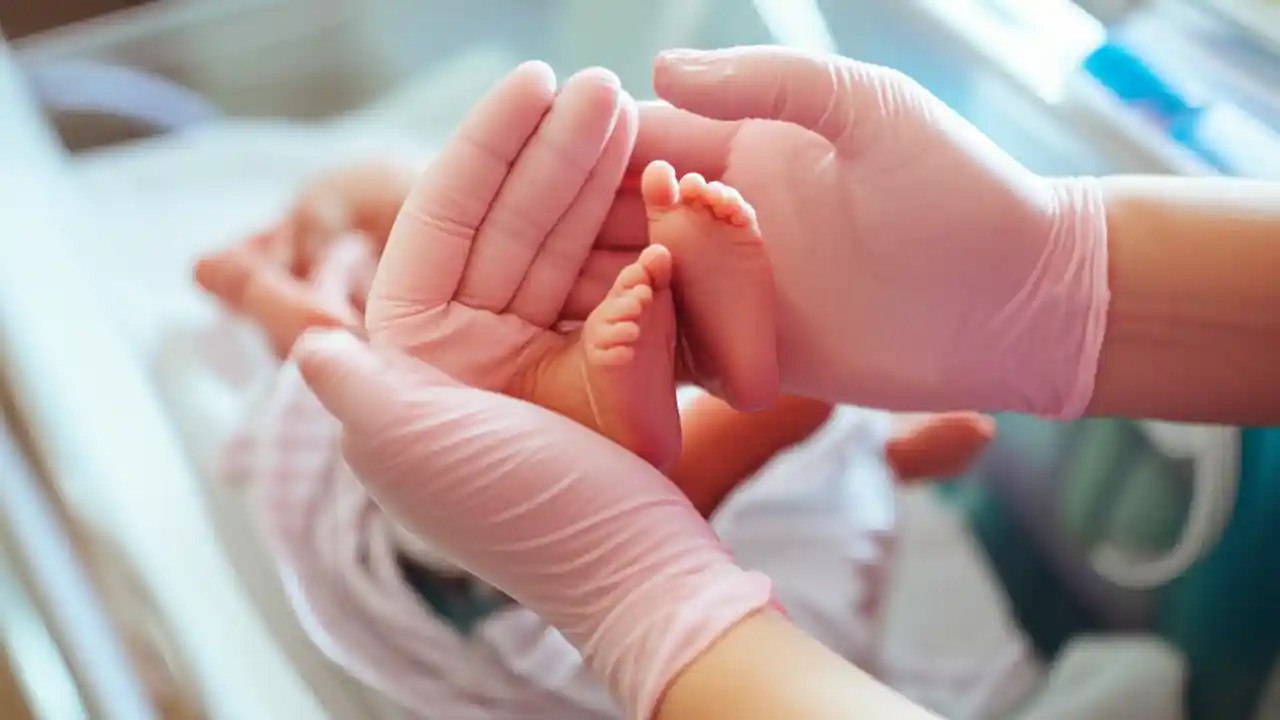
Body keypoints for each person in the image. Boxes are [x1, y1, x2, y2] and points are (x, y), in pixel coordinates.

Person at [287, 47, 1278, 719]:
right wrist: (1054, 287)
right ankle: (700, 407)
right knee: (451, 461)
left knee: (507, 425)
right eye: (376, 229)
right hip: (530, 532)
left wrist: (637, 599)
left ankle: (666, 401)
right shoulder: (326, 288)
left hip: (685, 546)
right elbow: (281, 323)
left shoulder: (398, 296)